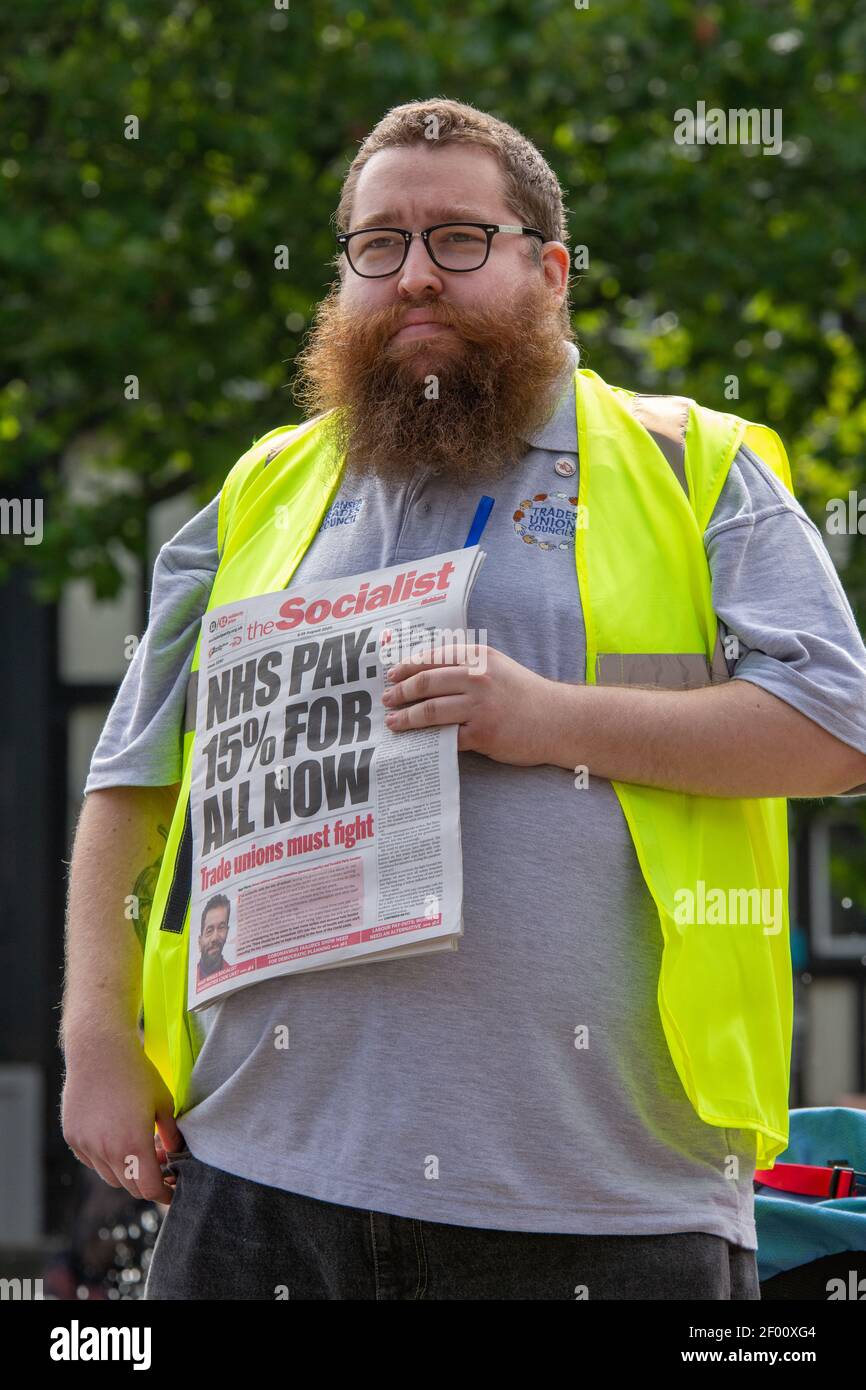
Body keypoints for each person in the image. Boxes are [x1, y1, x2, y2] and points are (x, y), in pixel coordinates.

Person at [60, 98, 866, 1301]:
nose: (415, 276)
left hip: (601, 1198)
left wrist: (547, 718)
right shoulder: (260, 491)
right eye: (378, 245)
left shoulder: (690, 466)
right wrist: (94, 1040)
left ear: (546, 269)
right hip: (254, 1177)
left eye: (458, 239)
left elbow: (834, 728)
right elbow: (135, 778)